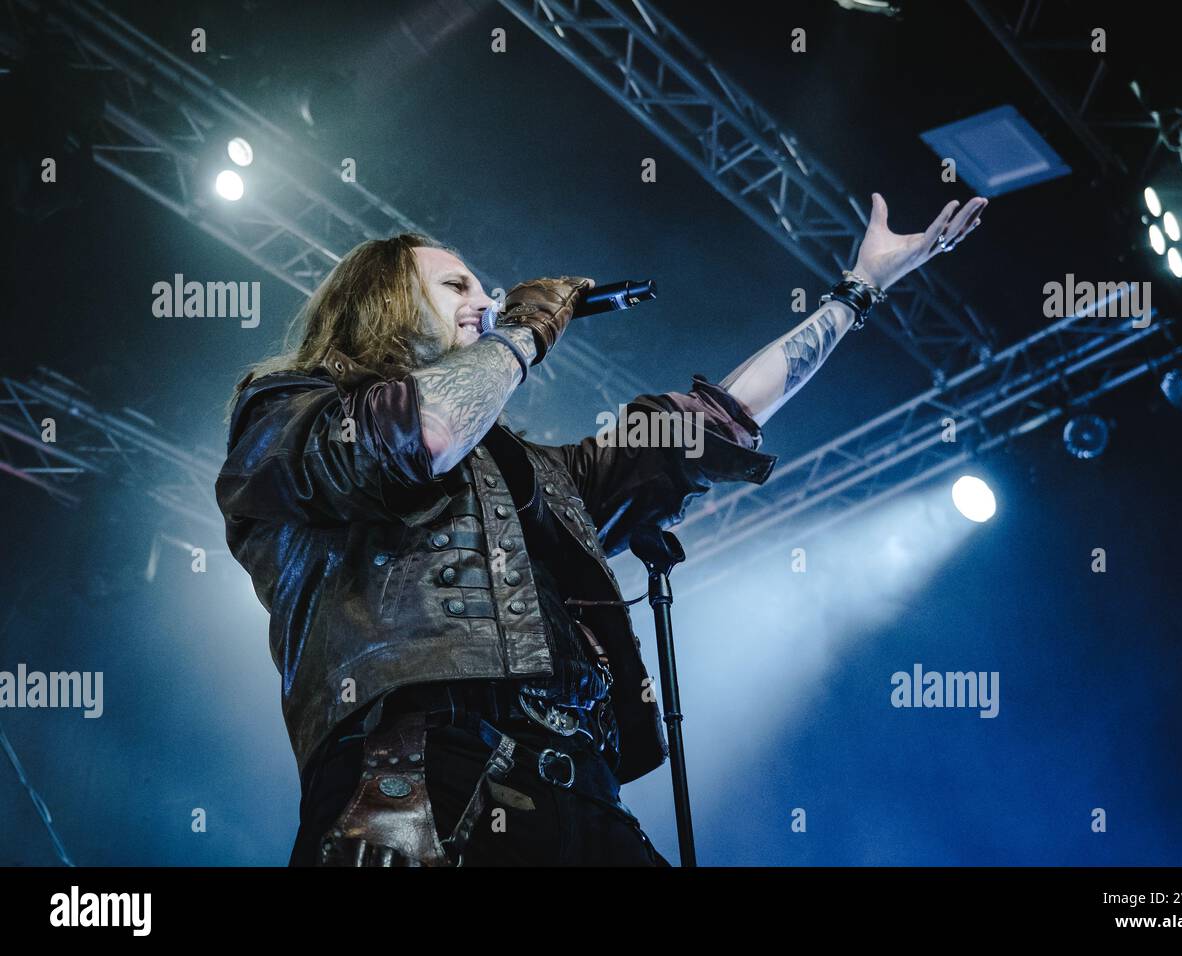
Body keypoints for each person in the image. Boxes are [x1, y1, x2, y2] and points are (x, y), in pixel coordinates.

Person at [215, 192, 987, 866]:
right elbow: (421, 433)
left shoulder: (545, 477)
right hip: (417, 779)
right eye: (455, 287)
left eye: (486, 291)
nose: (482, 303)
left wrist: (856, 293)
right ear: (383, 302)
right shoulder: (287, 414)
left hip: (580, 791)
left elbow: (721, 416)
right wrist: (522, 333)